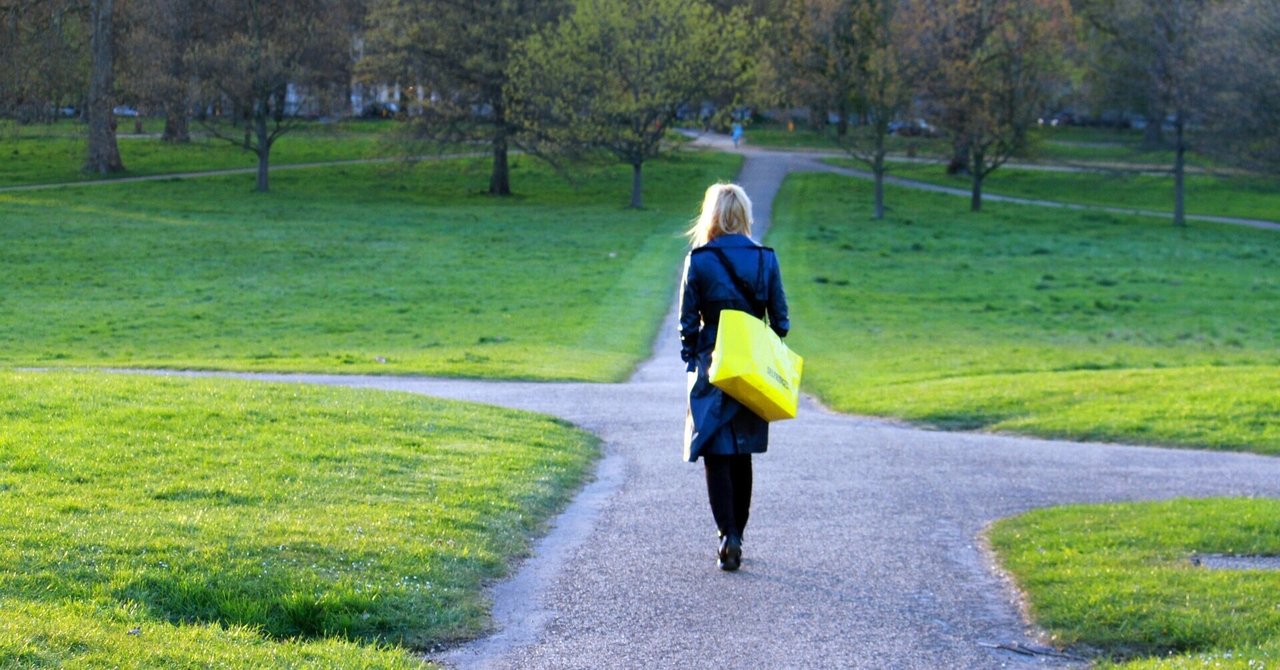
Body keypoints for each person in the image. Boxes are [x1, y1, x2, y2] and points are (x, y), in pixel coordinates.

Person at [678, 182, 789, 571]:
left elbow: (686, 326)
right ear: (743, 215)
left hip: (712, 363)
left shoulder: (700, 260)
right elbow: (782, 322)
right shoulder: (765, 259)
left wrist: (693, 361)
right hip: (752, 365)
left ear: (711, 215)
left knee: (714, 449)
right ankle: (737, 533)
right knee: (742, 452)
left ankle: (727, 534)